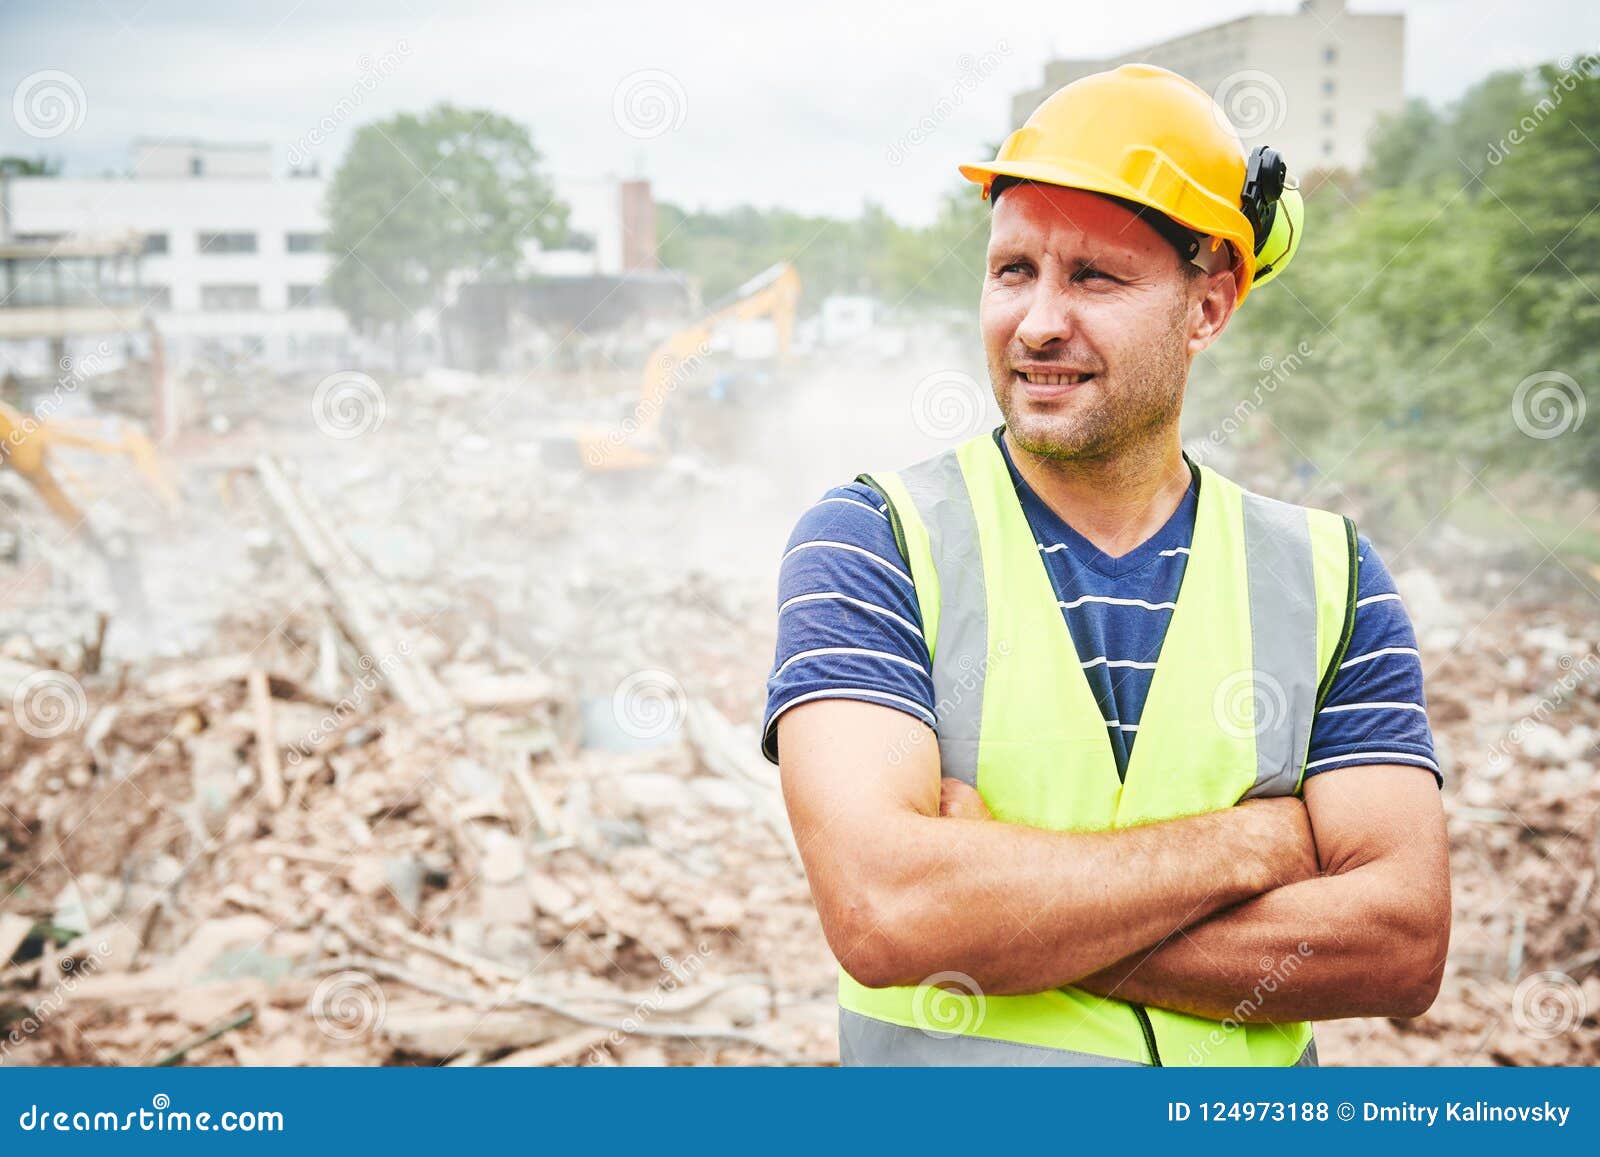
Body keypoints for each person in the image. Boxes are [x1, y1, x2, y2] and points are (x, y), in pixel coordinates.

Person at [762, 64, 1450, 1066]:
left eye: (1093, 276)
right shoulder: (874, 540)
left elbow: (1398, 946)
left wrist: (1006, 915)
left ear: (1208, 305)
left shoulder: (1327, 574)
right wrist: (1250, 846)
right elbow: (888, 912)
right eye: (1012, 271)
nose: (1038, 320)